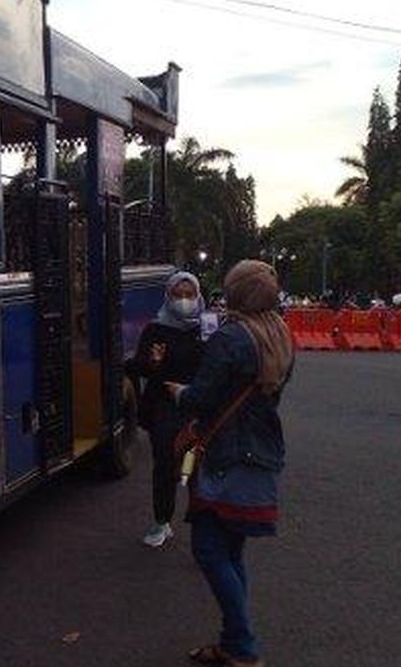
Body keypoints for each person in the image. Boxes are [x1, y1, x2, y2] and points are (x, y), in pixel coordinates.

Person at [166, 260, 295, 667]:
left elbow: (201, 398)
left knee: (208, 549)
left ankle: (242, 645)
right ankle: (233, 640)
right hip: (263, 451)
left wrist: (178, 392)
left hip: (226, 456)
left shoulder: (231, 337)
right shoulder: (279, 333)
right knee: (232, 550)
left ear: (237, 291)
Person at [132, 271, 206, 548]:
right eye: (178, 295)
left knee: (194, 466)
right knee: (164, 464)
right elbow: (139, 367)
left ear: (198, 296)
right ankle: (162, 521)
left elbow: (217, 366)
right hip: (164, 408)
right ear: (168, 297)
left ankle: (200, 524)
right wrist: (153, 362)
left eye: (189, 295)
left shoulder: (206, 328)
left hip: (196, 408)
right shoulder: (156, 329)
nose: (184, 300)